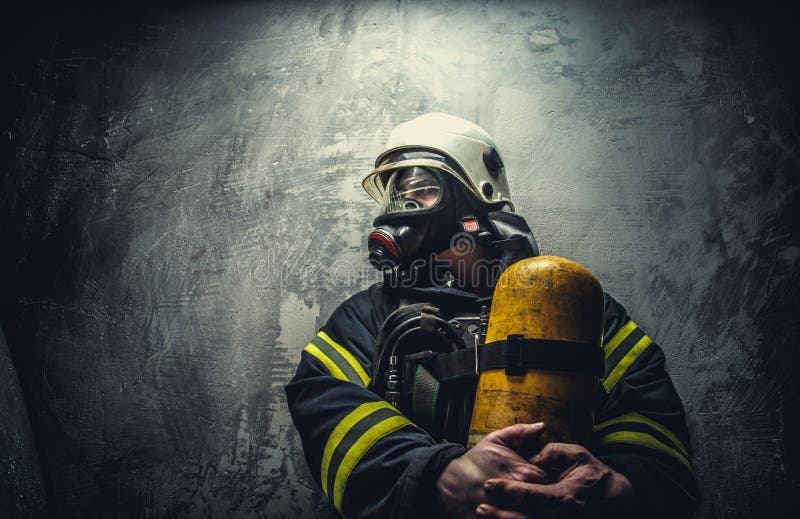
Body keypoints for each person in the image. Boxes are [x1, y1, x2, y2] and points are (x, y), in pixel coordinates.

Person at [285, 113, 700, 519]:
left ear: (476, 193)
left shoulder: (579, 309)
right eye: (396, 192)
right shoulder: (367, 318)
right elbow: (325, 405)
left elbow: (650, 415)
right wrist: (439, 477)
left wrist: (621, 486)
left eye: (421, 189)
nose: (401, 206)